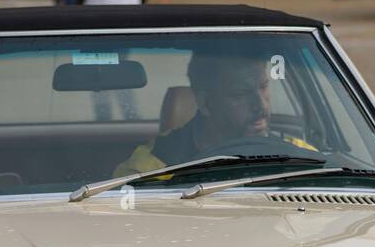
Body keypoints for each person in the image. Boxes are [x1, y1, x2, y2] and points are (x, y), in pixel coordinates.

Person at [112, 46, 318, 177]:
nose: (260, 105)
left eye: (263, 87)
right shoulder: (150, 168)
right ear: (204, 103)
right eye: (239, 94)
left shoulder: (298, 155)